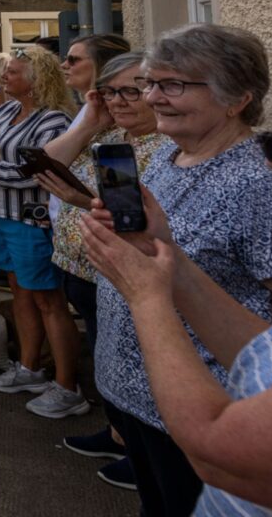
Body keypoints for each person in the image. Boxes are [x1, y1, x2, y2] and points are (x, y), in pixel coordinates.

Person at [79, 25, 272, 516]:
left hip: (207, 415)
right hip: (139, 397)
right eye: (151, 83)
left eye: (173, 85)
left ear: (236, 99)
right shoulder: (168, 155)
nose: (153, 97)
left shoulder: (261, 182)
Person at [38, 47, 161, 491]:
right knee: (108, 361)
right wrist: (90, 119)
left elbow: (129, 219)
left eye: (132, 91)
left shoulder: (161, 147)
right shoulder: (110, 135)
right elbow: (45, 164)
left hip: (114, 276)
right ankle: (117, 435)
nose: (119, 101)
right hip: (81, 268)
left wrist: (78, 201)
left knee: (135, 367)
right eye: (109, 92)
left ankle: (138, 452)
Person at [0, 46, 84, 417]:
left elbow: (34, 172)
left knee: (49, 301)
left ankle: (68, 387)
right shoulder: (6, 109)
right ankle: (29, 367)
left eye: (14, 72)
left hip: (30, 220)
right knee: (20, 292)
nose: (6, 77)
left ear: (37, 81)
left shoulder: (54, 122)